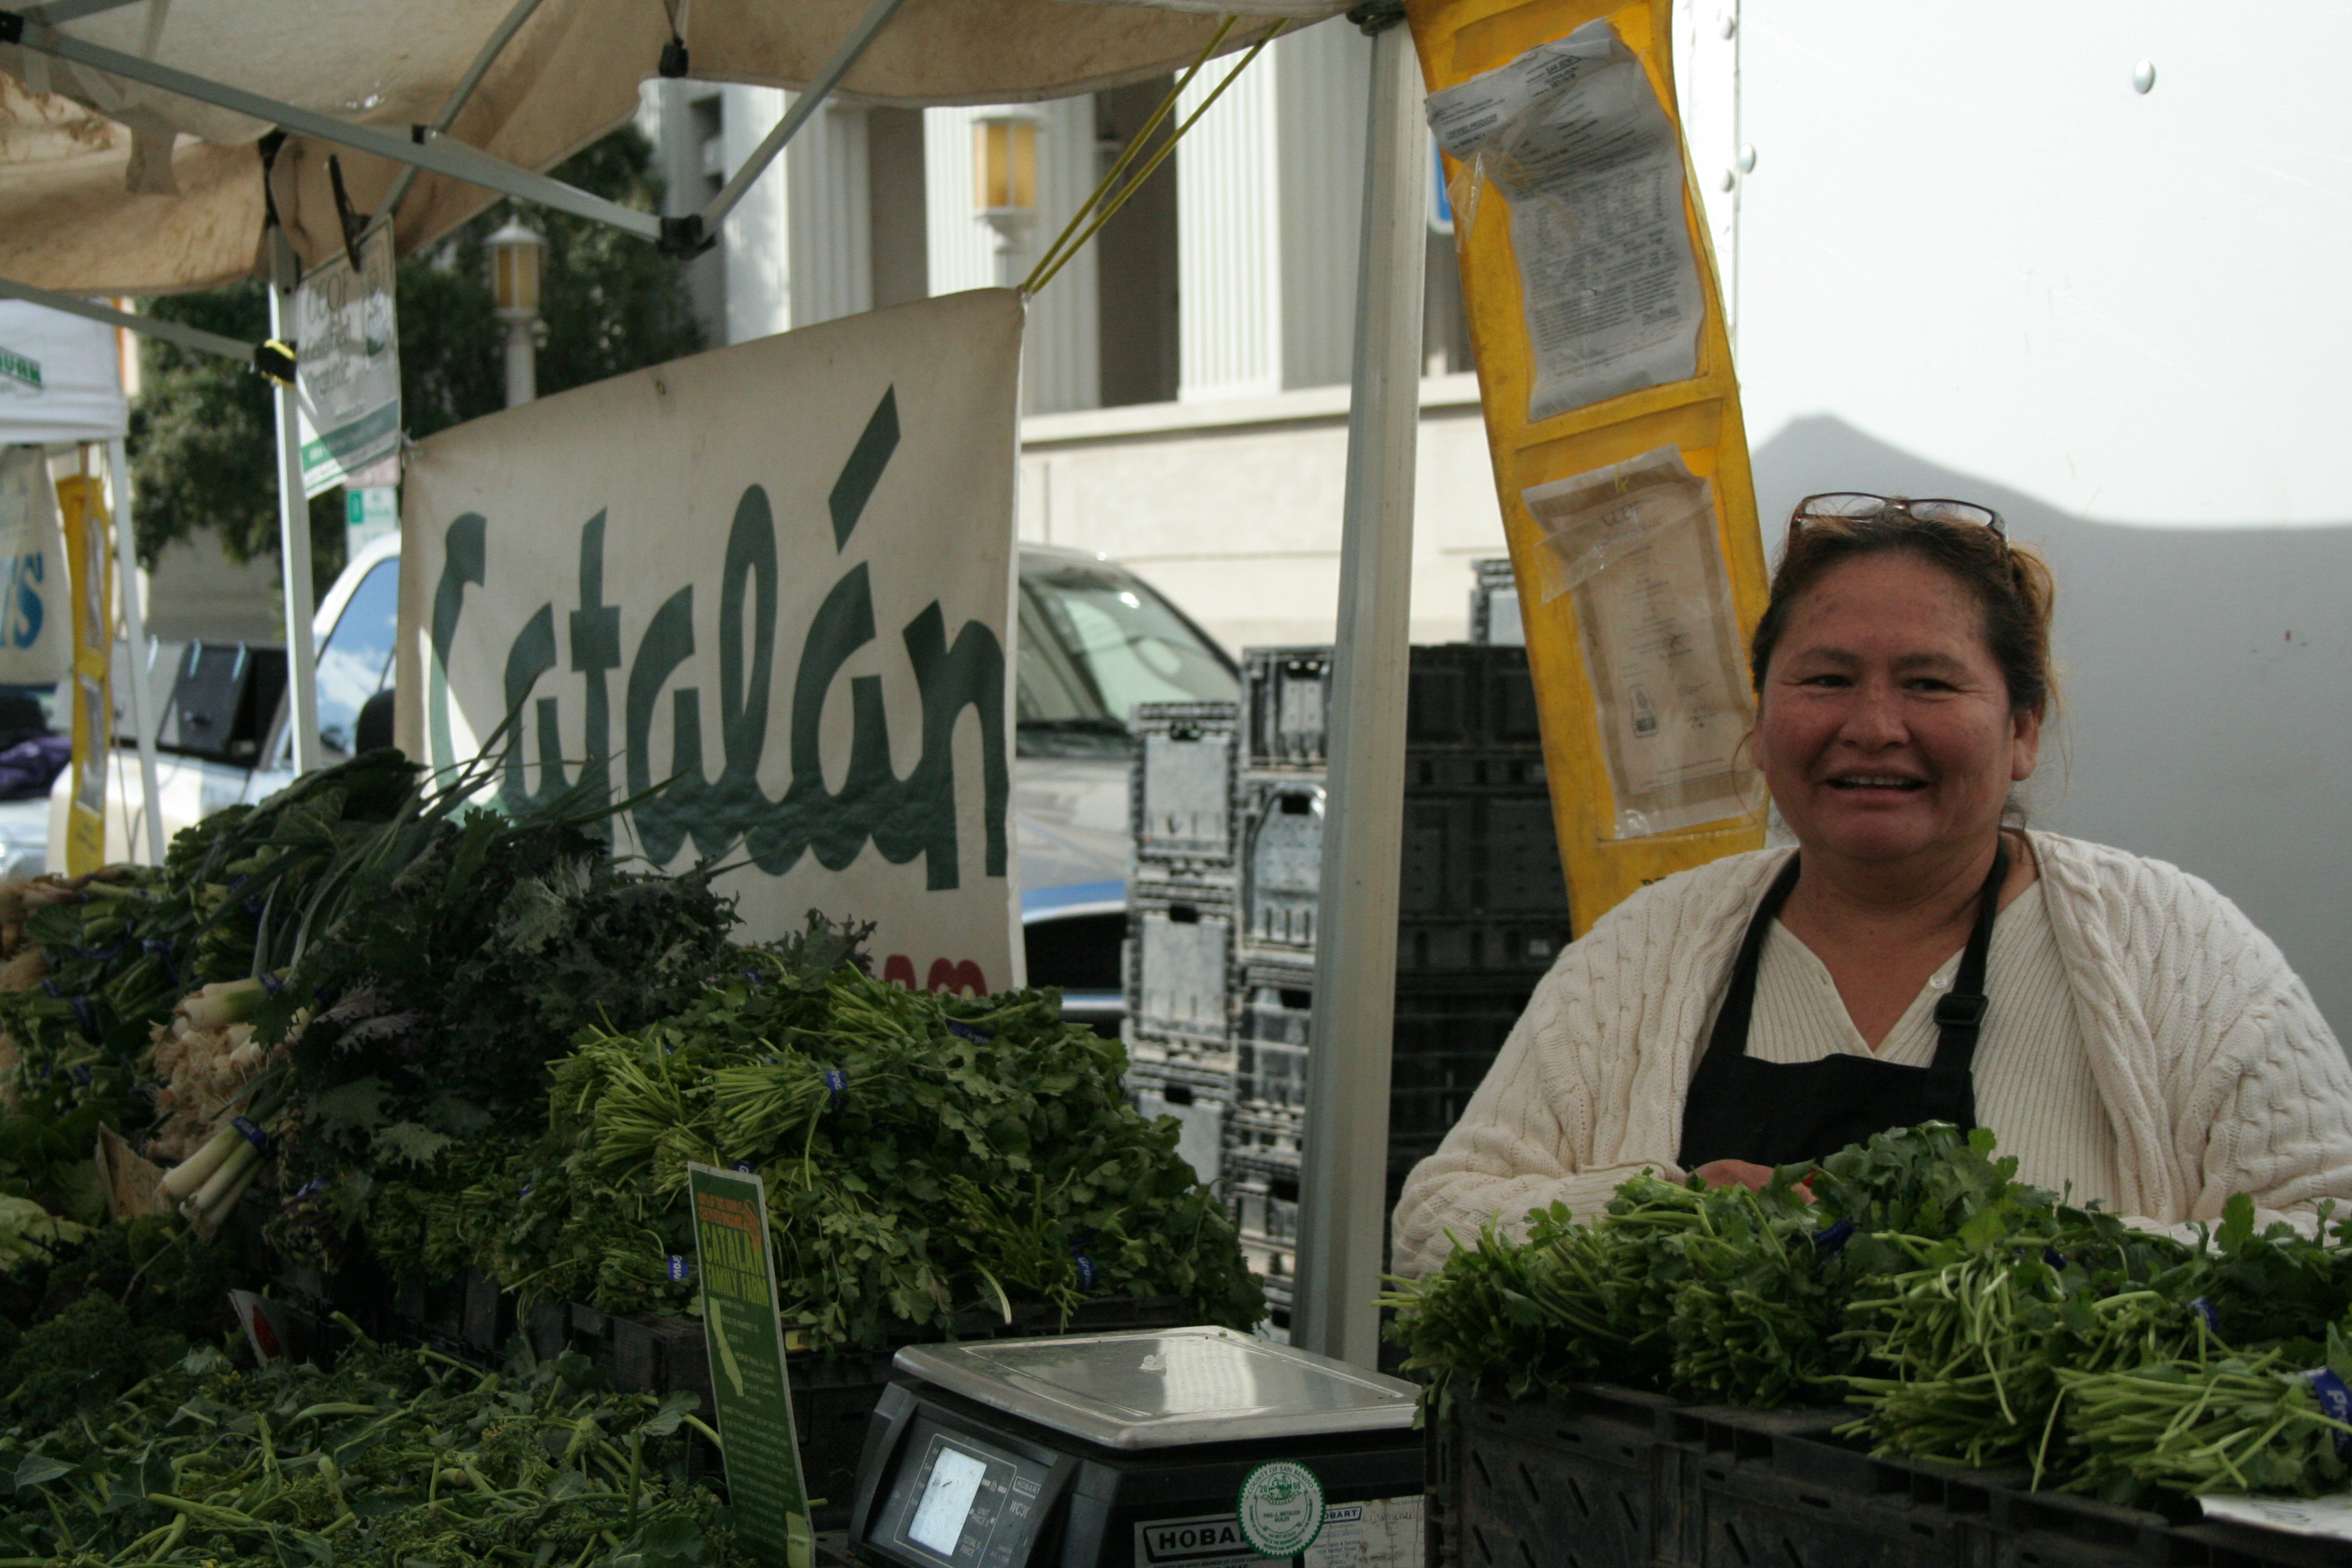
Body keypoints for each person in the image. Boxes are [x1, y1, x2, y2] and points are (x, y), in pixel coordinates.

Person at [1391, 493, 2352, 1274]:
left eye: (1931, 684)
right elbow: (1438, 1224)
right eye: (1825, 680)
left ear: (2022, 730)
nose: (1874, 726)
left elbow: (2330, 1235)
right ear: (1761, 727)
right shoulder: (1648, 950)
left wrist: (2029, 1267)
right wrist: (1668, 1217)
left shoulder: (2180, 951)